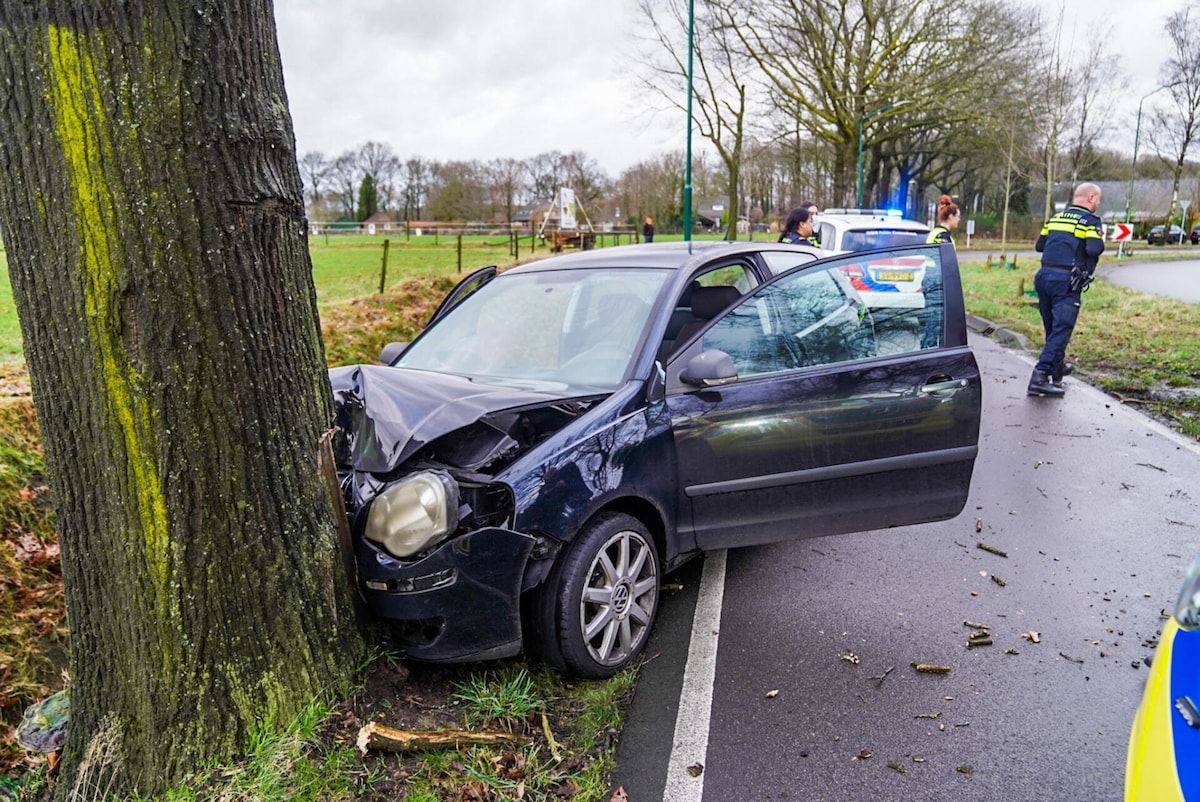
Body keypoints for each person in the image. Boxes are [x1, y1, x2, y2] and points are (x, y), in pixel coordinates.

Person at [1027, 182, 1105, 398]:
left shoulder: (1055, 218)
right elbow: (1093, 248)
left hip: (1043, 277)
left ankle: (1057, 368)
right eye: (1098, 199)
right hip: (1067, 281)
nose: (1098, 203)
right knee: (1061, 330)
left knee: (1053, 329)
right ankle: (1040, 375)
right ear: (1090, 198)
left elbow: (1039, 246)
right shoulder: (1090, 220)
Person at [920, 195, 960, 349]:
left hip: (931, 279)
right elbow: (946, 263)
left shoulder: (936, 233)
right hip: (936, 281)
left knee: (934, 323)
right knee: (934, 324)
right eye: (957, 217)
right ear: (950, 217)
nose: (958, 220)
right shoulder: (942, 237)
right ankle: (926, 354)